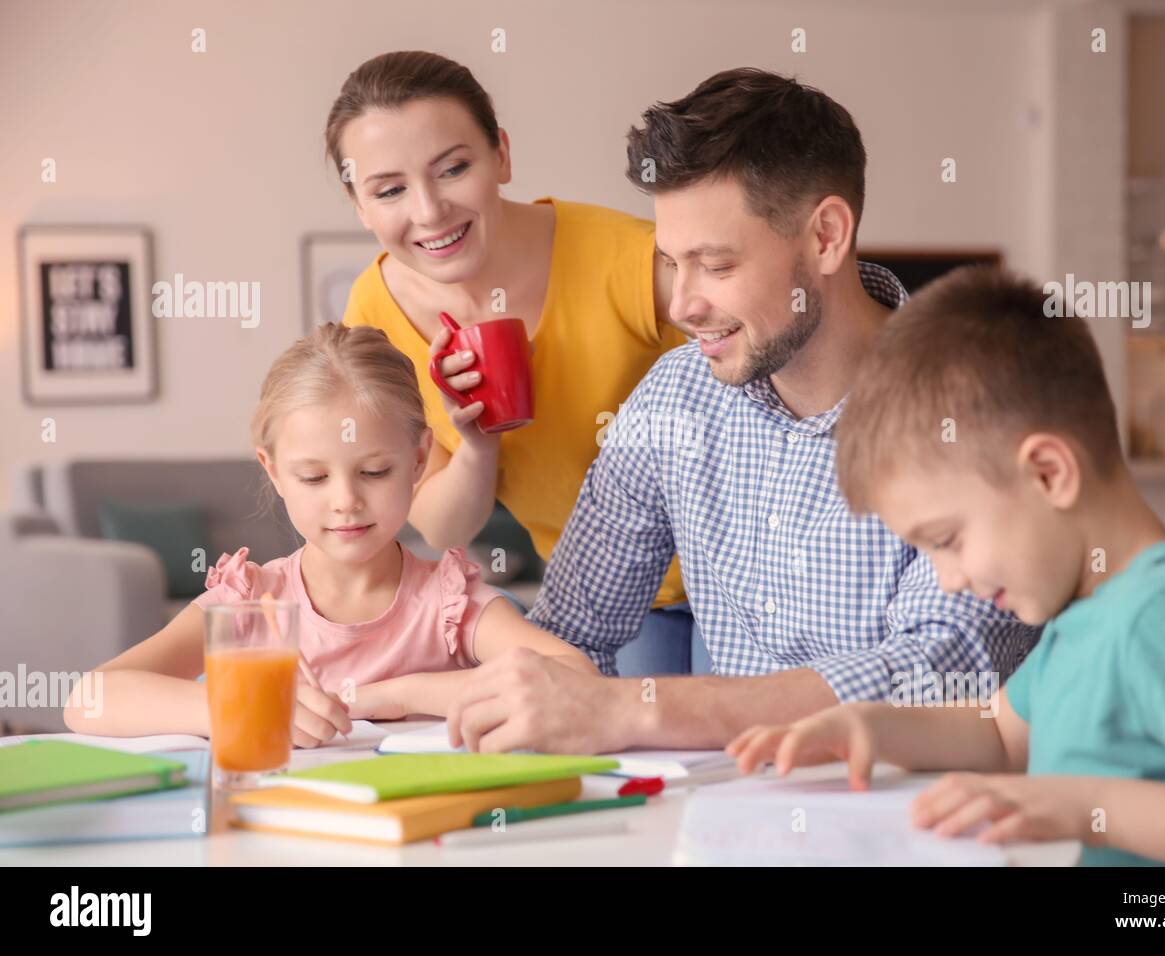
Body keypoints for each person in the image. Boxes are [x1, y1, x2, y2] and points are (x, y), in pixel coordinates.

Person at [444, 69, 1037, 756]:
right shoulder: (676, 395)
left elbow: (943, 671)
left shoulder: (967, 407)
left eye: (715, 265)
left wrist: (642, 709)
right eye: (672, 263)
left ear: (825, 237)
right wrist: (367, 681)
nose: (681, 306)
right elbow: (568, 634)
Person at [729, 266, 1165, 866]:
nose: (948, 579)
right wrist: (869, 726)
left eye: (947, 539)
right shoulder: (1088, 611)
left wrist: (1091, 808)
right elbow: (998, 734)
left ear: (1049, 473)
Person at [329, 50, 695, 674]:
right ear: (360, 205)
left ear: (500, 154)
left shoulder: (629, 257)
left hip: (746, 577)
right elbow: (443, 527)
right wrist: (475, 445)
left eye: (453, 169)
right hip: (607, 601)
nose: (429, 211)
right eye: (389, 190)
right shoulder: (374, 313)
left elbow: (771, 367)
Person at [64, 324, 598, 746]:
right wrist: (239, 704)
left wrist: (399, 695)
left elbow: (575, 676)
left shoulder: (447, 604)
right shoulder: (253, 603)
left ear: (417, 461)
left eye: (374, 472)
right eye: (314, 477)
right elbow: (88, 699)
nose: (346, 500)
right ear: (272, 471)